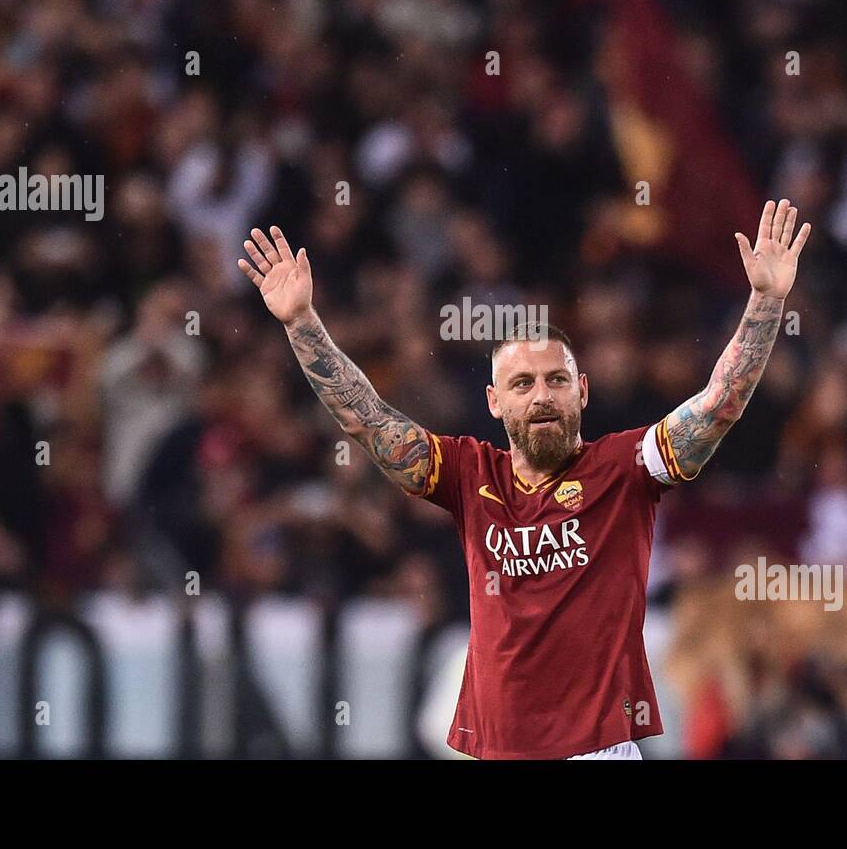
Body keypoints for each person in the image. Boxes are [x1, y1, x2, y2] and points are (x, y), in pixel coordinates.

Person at [238, 200, 811, 759]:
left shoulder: (625, 468)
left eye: (556, 380)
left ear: (582, 390)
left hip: (595, 751)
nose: (542, 395)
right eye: (522, 383)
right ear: (493, 401)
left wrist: (764, 301)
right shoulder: (467, 473)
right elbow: (366, 420)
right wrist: (301, 322)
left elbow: (717, 407)